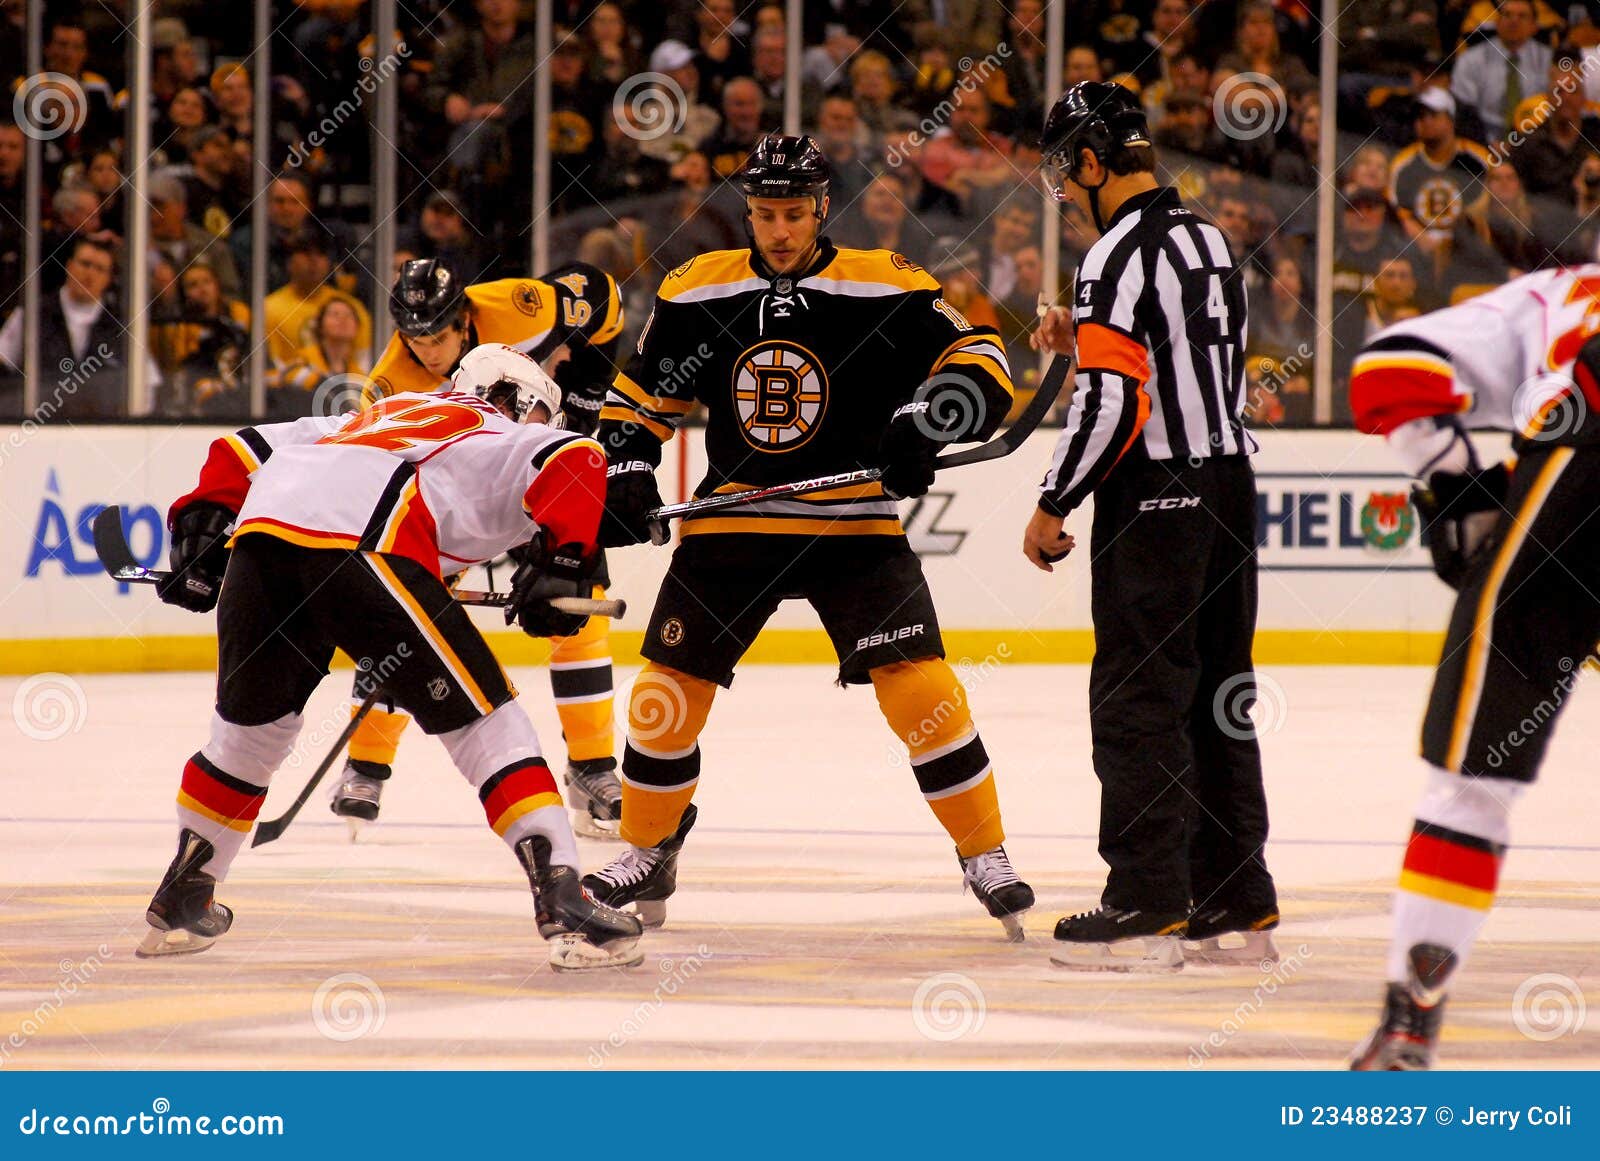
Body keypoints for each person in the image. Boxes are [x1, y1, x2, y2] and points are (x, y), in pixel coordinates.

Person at [589, 133, 1034, 939]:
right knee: (661, 697)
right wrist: (625, 468)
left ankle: (984, 850)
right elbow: (636, 398)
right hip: (736, 521)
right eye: (764, 214)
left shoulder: (883, 283)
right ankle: (647, 847)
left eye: (794, 213)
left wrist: (931, 416)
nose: (780, 231)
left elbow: (981, 352)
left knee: (923, 693)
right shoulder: (697, 289)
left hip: (852, 520)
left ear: (823, 208)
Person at [138, 346, 643, 969]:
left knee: (248, 736)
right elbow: (574, 457)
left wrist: (200, 527)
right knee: (488, 721)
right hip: (366, 543)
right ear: (520, 400)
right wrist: (566, 559)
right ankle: (564, 896)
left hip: (264, 541)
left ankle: (186, 893)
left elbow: (243, 449)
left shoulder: (377, 414)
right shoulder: (496, 426)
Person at [1023, 82, 1278, 971]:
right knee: (1219, 695)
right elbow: (1178, 352)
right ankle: (1235, 905)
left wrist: (1055, 499)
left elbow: (1114, 402)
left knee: (1138, 698)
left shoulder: (1113, 257)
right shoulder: (1205, 237)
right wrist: (1079, 333)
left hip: (1157, 497)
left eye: (1065, 171)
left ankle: (1144, 903)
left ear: (1093, 161)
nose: (1062, 190)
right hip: (1229, 486)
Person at [1347, 265, 1600, 1068]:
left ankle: (1407, 1024)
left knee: (1474, 778)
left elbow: (1389, 368)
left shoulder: (1558, 293)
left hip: (1586, 441)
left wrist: (1458, 488)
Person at [345, 258, 628, 842]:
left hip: (531, 467)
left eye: (440, 335)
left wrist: (588, 400)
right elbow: (369, 475)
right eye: (414, 339)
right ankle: (366, 762)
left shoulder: (516, 306)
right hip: (452, 497)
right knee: (395, 614)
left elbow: (602, 295)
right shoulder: (391, 385)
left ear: (467, 320)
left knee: (578, 607)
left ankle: (593, 767)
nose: (428, 351)